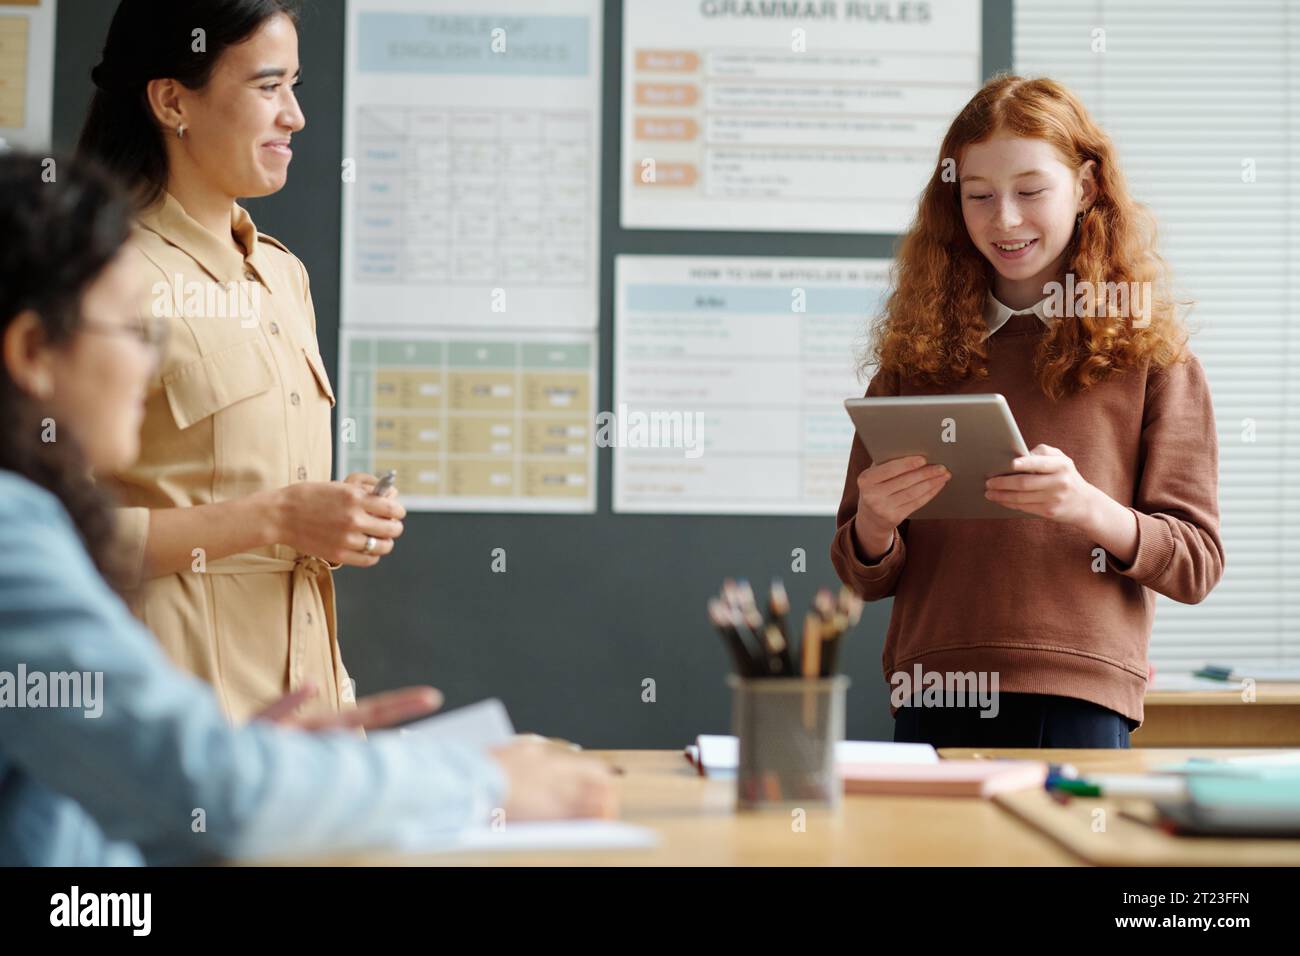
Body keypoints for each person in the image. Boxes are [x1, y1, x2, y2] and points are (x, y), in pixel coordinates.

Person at [0, 151, 616, 865]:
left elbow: (104, 817)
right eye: (136, 332)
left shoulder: (282, 274)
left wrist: (258, 767)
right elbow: (203, 790)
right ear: (35, 351)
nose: (150, 363)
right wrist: (488, 784)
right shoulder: (14, 537)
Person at [831, 75, 1224, 748]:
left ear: (1087, 188)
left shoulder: (1152, 358)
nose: (1004, 218)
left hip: (1082, 693)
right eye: (979, 196)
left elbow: (1195, 561)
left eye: (1031, 191)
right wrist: (875, 524)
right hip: (933, 687)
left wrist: (1088, 508)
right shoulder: (913, 363)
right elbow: (857, 569)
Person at [76, 0, 393, 720]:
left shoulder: (283, 276)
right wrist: (277, 517)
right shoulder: (103, 274)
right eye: (266, 86)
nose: (295, 117)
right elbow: (53, 531)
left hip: (312, 714)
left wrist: (338, 519)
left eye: (295, 88)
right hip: (175, 721)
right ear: (170, 99)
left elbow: (263, 500)